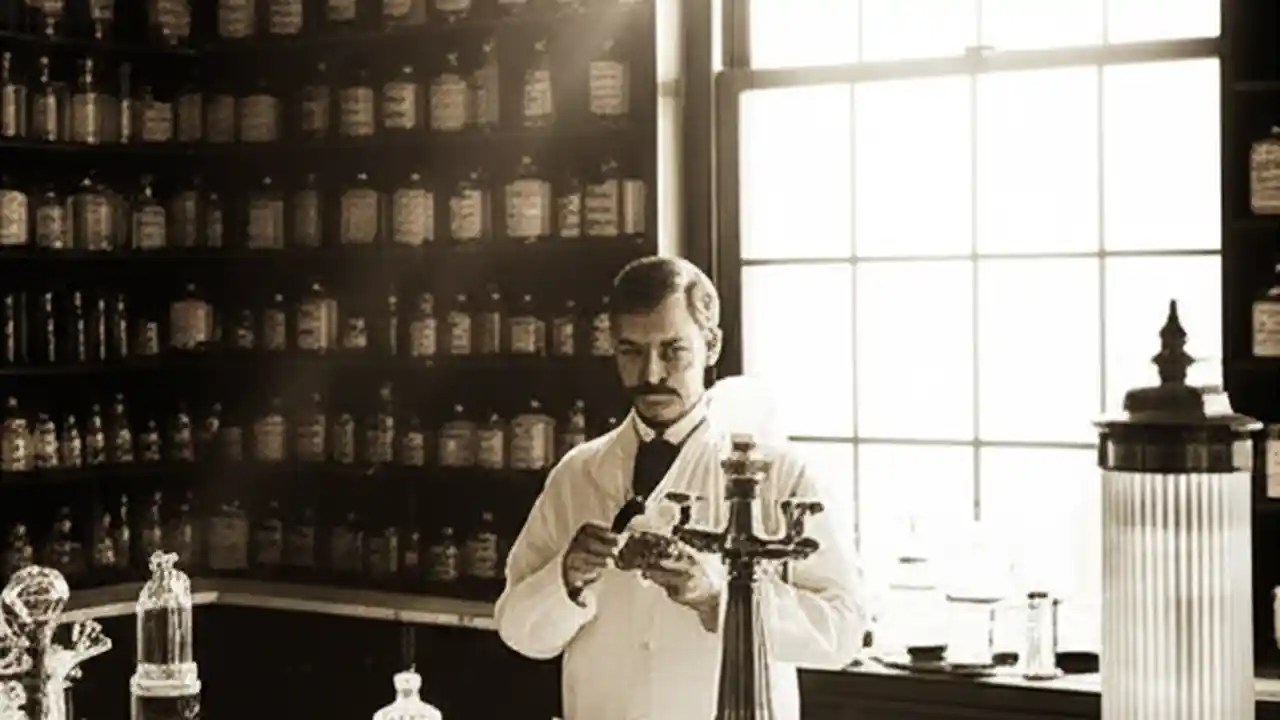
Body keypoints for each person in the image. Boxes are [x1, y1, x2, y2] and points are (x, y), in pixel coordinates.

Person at [494, 255, 865, 720]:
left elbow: (843, 631)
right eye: (632, 351)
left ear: (712, 346)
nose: (651, 374)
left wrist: (719, 598)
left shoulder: (780, 473)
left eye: (673, 350)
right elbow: (518, 631)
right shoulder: (577, 473)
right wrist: (565, 580)